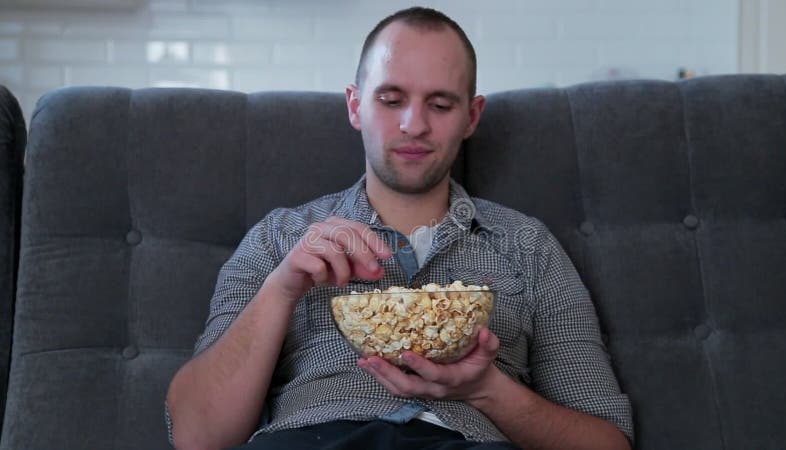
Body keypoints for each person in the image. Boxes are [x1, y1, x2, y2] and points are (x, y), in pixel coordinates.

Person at [166, 7, 633, 450]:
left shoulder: (527, 246)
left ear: (471, 117)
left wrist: (487, 390)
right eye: (391, 100)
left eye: (440, 104)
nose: (414, 125)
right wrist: (282, 289)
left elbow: (607, 441)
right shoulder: (281, 239)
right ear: (355, 106)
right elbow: (197, 435)